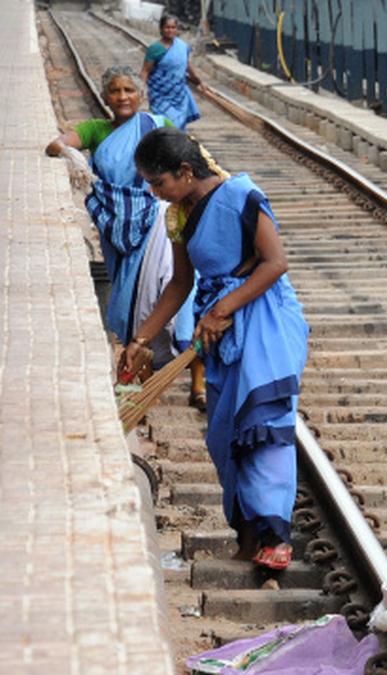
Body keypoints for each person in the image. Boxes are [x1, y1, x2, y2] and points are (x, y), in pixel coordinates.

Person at [119, 127, 309, 570]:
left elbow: (275, 263)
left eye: (158, 182)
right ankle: (246, 535)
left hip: (264, 320)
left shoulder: (243, 195)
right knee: (225, 432)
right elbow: (181, 284)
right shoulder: (178, 216)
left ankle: (276, 537)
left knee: (265, 425)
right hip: (218, 332)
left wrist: (223, 308)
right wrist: (141, 338)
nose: (154, 191)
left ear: (185, 171)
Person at [44, 64, 205, 406]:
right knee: (133, 302)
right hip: (119, 231)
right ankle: (142, 378)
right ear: (105, 97)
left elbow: (189, 159)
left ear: (140, 94)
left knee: (182, 293)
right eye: (115, 91)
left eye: (129, 90)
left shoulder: (157, 126)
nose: (122, 97)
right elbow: (54, 145)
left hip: (162, 224)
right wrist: (70, 154)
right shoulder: (96, 131)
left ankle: (198, 383)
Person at [141, 13, 208, 130]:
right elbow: (145, 70)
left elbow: (188, 67)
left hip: (178, 95)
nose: (170, 30)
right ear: (161, 29)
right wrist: (141, 88)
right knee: (164, 124)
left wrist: (199, 82)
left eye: (173, 27)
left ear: (177, 29)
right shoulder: (155, 49)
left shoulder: (182, 47)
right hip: (159, 94)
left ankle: (177, 146)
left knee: (178, 125)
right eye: (167, 27)